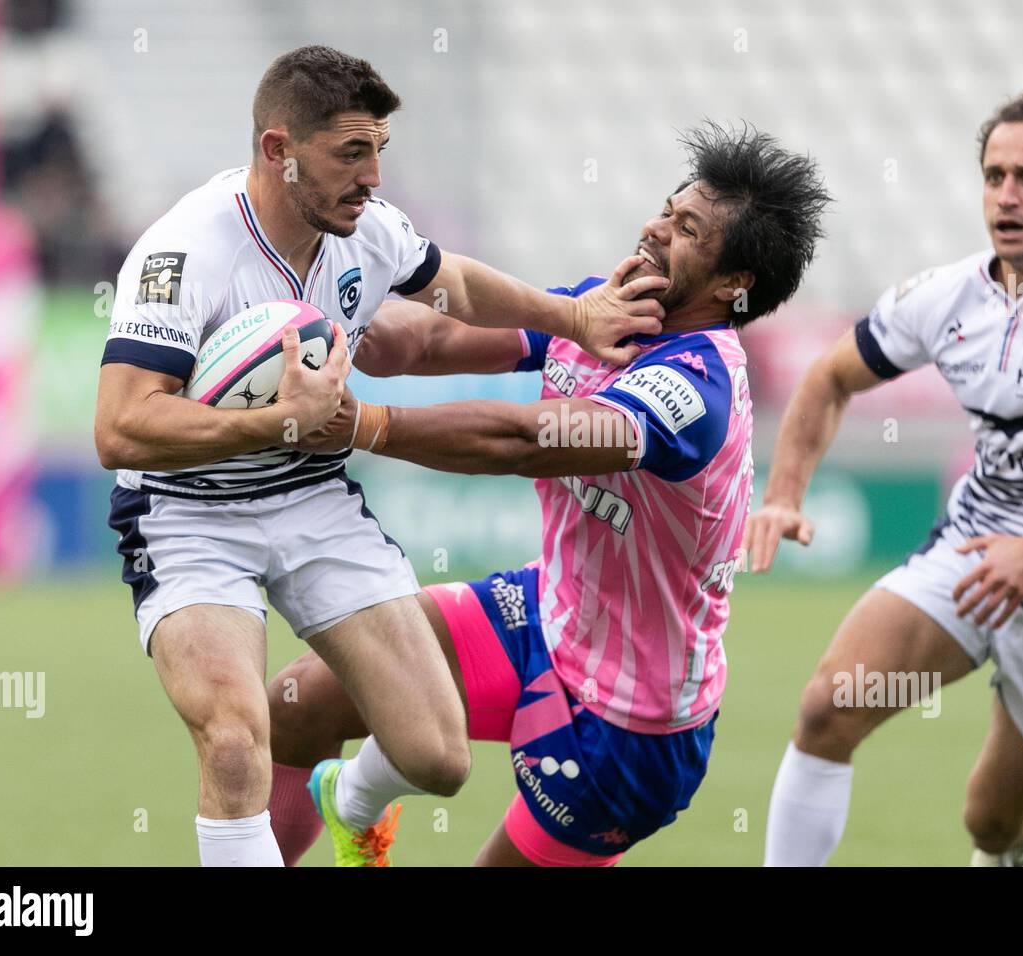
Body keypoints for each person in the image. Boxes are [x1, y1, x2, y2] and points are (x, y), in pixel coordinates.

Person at [93, 45, 663, 867]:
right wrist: (278, 422)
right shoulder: (184, 254)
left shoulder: (365, 232)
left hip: (310, 496)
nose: (373, 178)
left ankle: (347, 802)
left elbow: (454, 288)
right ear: (278, 152)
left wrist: (575, 319)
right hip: (188, 514)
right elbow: (120, 428)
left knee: (438, 758)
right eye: (350, 154)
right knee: (232, 741)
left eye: (379, 153)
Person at [265, 122, 830, 866]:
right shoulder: (608, 313)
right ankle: (351, 807)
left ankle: (354, 800)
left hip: (629, 728)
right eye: (667, 208)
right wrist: (315, 322)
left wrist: (361, 425)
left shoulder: (698, 386)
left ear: (734, 283)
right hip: (544, 614)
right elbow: (428, 340)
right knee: (296, 705)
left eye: (686, 228)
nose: (656, 229)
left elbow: (527, 440)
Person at [747, 89, 1023, 866]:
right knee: (829, 709)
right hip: (968, 558)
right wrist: (784, 493)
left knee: (992, 824)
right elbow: (830, 377)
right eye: (994, 176)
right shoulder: (948, 296)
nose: (1006, 195)